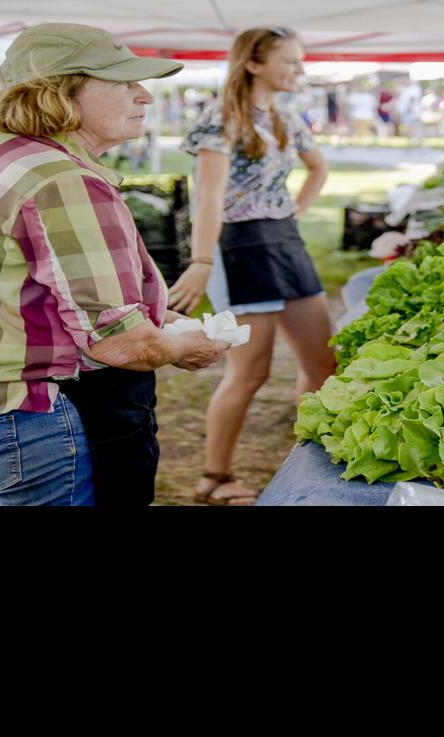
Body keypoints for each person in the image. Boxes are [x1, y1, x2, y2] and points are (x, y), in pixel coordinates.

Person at [0, 23, 228, 506]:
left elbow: (45, 294)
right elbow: (121, 344)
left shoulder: (8, 156)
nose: (144, 96)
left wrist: (159, 317)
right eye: (122, 82)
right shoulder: (62, 179)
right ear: (60, 93)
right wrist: (178, 346)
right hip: (32, 412)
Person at [169, 26, 337, 505]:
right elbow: (209, 196)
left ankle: (318, 460)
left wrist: (295, 211)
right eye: (290, 61)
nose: (299, 71)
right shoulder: (220, 117)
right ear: (254, 63)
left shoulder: (286, 112)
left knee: (323, 363)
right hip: (238, 245)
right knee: (250, 371)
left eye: (300, 62)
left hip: (284, 239)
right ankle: (214, 477)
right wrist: (201, 260)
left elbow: (318, 167)